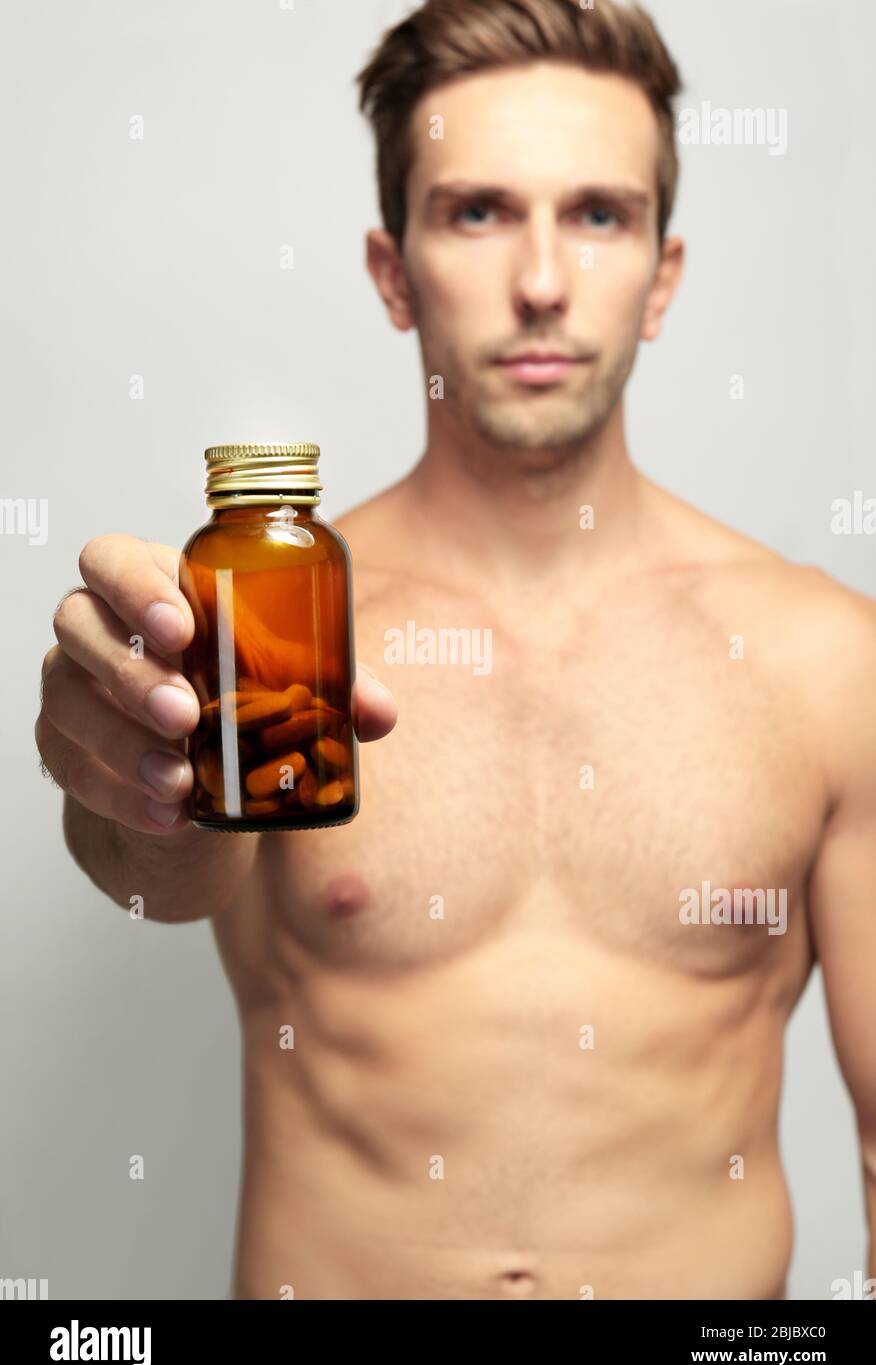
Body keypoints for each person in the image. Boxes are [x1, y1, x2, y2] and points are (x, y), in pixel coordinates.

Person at [36, 0, 876, 1299]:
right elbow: (161, 865)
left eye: (599, 213)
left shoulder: (833, 661)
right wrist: (128, 766)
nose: (541, 279)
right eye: (477, 211)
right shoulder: (271, 627)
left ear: (662, 276)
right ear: (391, 270)